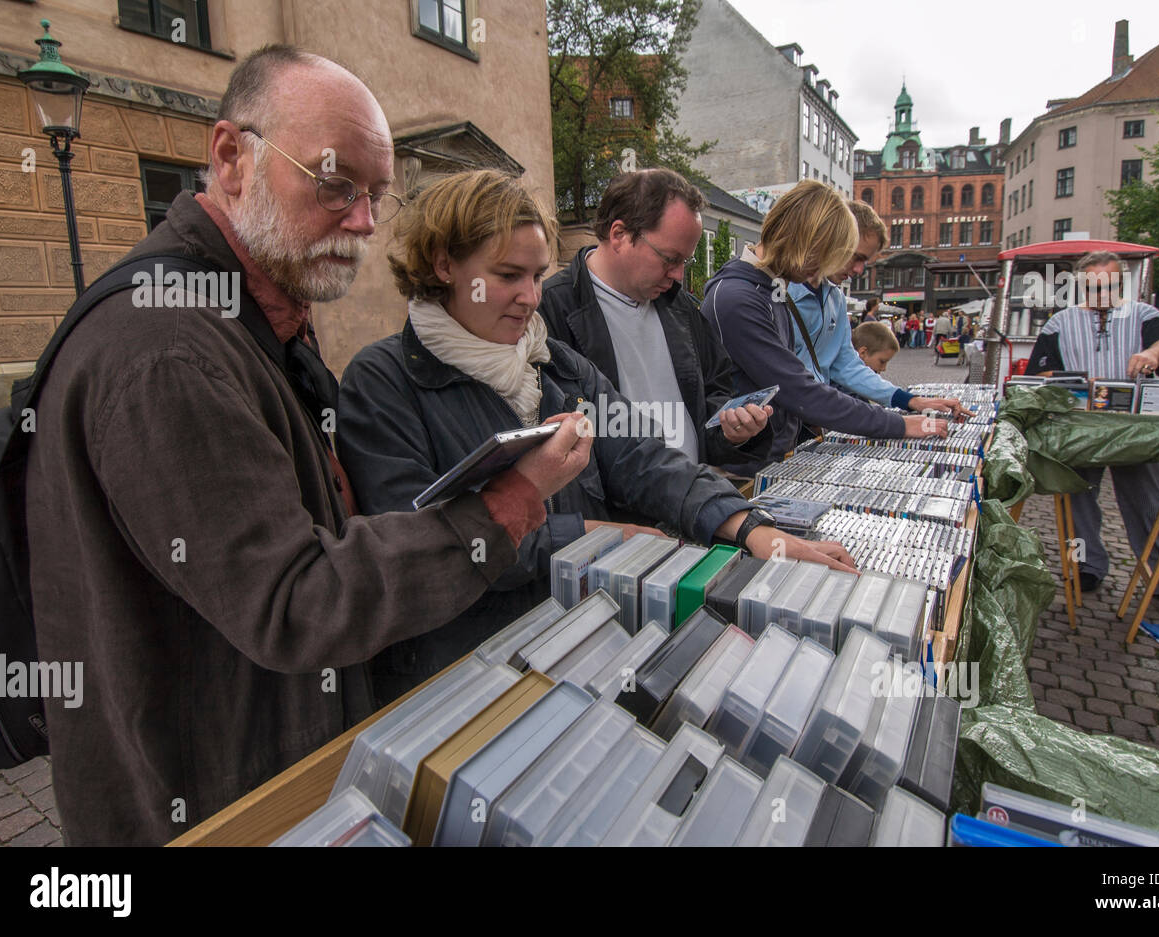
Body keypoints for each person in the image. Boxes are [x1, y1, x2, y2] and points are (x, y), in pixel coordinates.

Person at [20, 47, 595, 846]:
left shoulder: (254, 313)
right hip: (215, 804)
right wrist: (509, 500)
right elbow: (296, 599)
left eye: (374, 197)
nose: (361, 222)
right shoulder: (167, 350)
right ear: (231, 156)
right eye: (333, 185)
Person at [336, 170, 854, 703]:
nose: (530, 298)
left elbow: (642, 457)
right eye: (509, 275)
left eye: (538, 276)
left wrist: (748, 526)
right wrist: (597, 538)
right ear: (444, 265)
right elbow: (420, 549)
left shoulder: (558, 365)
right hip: (466, 675)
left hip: (582, 645)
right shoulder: (384, 382)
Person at [700, 180, 946, 473]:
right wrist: (898, 424)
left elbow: (814, 379)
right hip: (746, 467)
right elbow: (798, 390)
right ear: (804, 239)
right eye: (826, 255)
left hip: (773, 456)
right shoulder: (738, 298)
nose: (826, 269)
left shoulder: (769, 290)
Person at [538, 169, 771, 470]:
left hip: (690, 498)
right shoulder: (550, 310)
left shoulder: (682, 308)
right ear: (619, 235)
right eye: (670, 259)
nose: (678, 275)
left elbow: (715, 395)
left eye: (685, 261)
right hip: (617, 515)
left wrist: (731, 431)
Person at [1025, 250, 1159, 613]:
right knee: (1078, 501)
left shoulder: (1144, 313)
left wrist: (1153, 356)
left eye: (1109, 285)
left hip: (1133, 429)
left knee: (1150, 504)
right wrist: (1077, 382)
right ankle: (1087, 565)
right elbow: (1041, 373)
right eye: (1094, 287)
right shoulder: (1059, 322)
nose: (1102, 294)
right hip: (1080, 428)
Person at [787, 199, 972, 419]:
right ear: (833, 237)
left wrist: (910, 400)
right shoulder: (781, 291)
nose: (859, 270)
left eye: (865, 261)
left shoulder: (835, 298)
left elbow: (846, 364)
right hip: (773, 425)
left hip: (807, 421)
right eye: (856, 257)